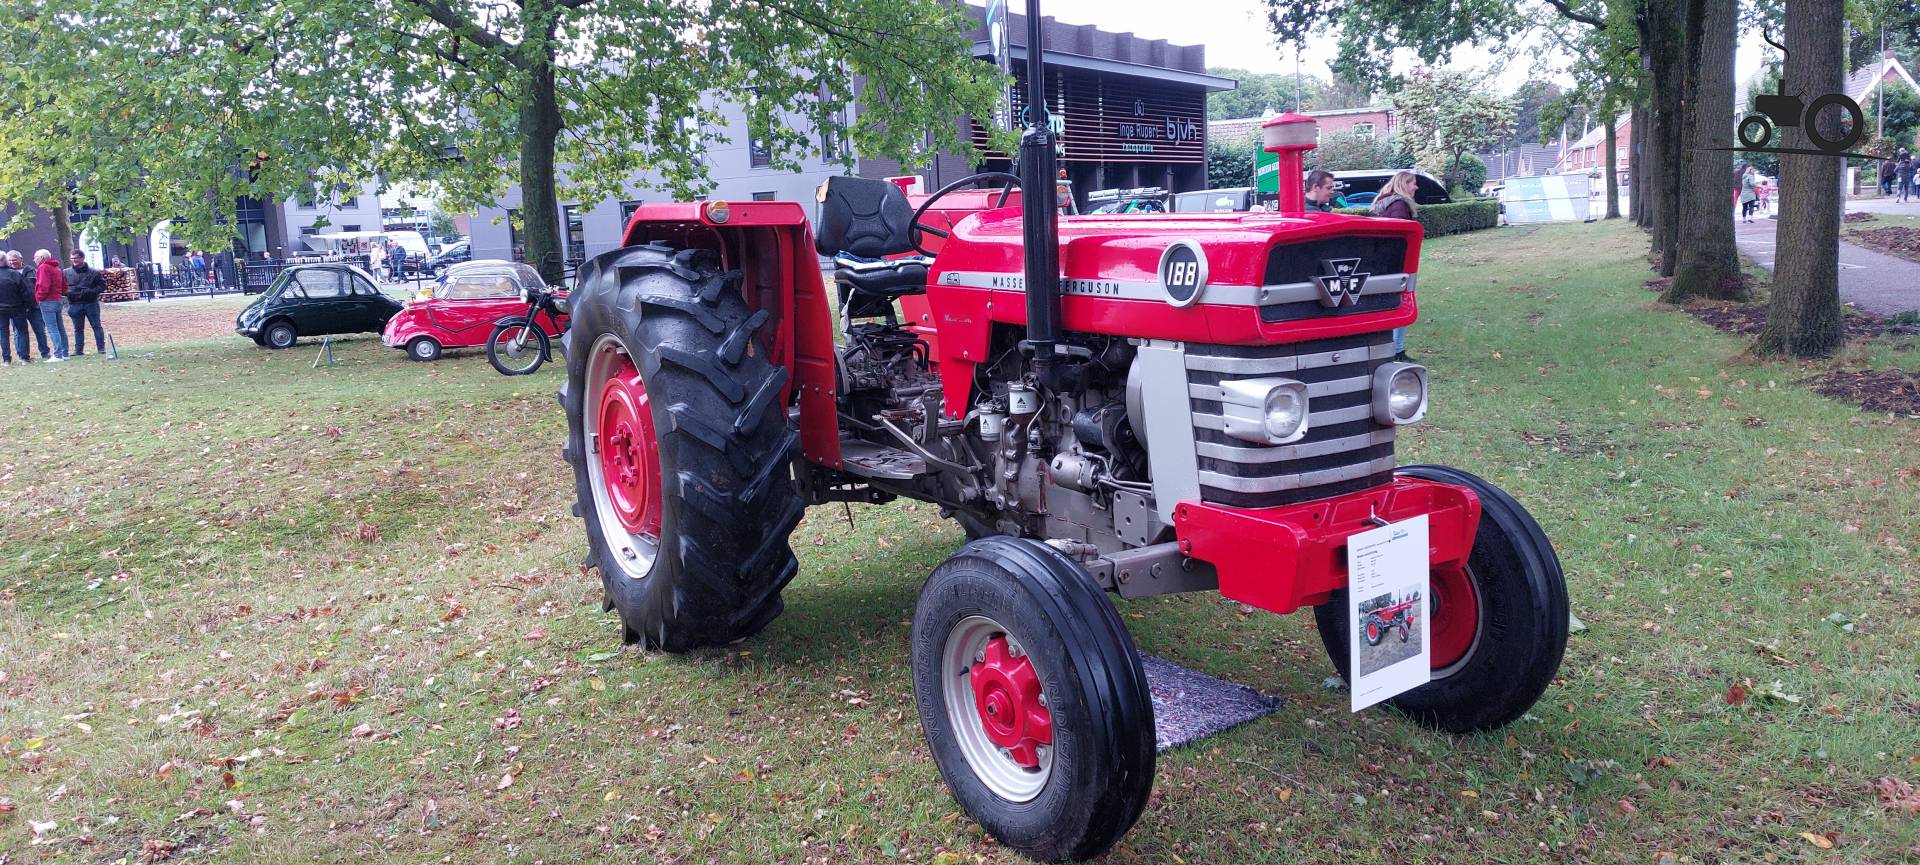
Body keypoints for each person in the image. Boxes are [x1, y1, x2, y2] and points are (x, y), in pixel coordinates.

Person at [1369, 170, 1419, 358]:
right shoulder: (1399, 205)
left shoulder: (1385, 203)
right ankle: (1396, 349)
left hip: (1382, 262)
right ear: (1404, 184)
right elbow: (1400, 235)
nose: (1416, 187)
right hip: (1396, 263)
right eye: (1413, 183)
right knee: (1402, 303)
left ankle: (1386, 348)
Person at [15, 251, 59, 361]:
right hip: (17, 308)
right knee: (19, 332)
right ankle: (22, 355)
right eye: (10, 261)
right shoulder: (8, 272)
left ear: (21, 259)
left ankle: (45, 352)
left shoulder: (32, 270)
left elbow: (41, 285)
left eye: (14, 260)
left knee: (40, 330)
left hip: (34, 306)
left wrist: (38, 299)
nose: (12, 262)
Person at [64, 249, 106, 356]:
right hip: (75, 304)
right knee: (78, 329)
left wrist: (91, 291)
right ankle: (78, 350)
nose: (74, 260)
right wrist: (69, 293)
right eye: (72, 258)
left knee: (96, 326)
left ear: (82, 258)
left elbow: (102, 286)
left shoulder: (95, 272)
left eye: (76, 258)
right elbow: (62, 287)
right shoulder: (65, 273)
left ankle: (101, 348)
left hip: (91, 303)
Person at [0, 251, 34, 365]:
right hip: (17, 308)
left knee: (3, 333)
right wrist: (29, 305)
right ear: (6, 261)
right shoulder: (15, 274)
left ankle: (6, 359)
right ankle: (24, 358)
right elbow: (26, 291)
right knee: (22, 332)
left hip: (1, 310)